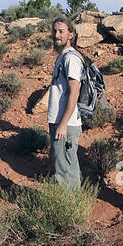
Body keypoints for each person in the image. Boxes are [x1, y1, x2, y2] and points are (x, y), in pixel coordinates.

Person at [24, 17, 89, 187]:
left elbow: (74, 92)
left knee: (65, 171)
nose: (56, 35)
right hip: (60, 121)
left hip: (65, 124)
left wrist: (63, 124)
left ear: (70, 35)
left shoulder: (71, 58)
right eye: (54, 31)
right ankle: (71, 206)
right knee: (63, 167)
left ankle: (70, 208)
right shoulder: (63, 57)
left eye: (61, 31)